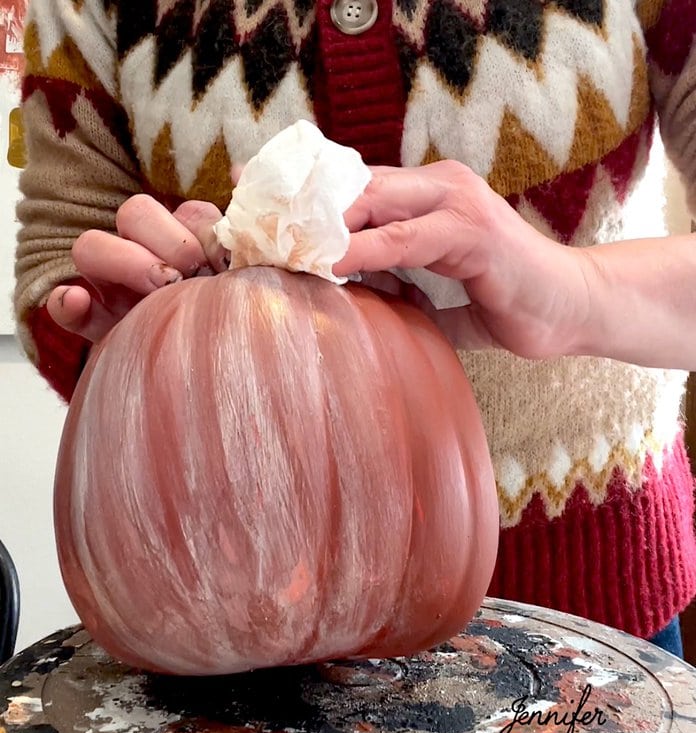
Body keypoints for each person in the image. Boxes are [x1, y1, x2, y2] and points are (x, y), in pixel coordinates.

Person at [13, 0, 696, 657]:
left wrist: (575, 293)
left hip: (592, 618)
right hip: (211, 605)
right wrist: (138, 341)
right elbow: (61, 251)